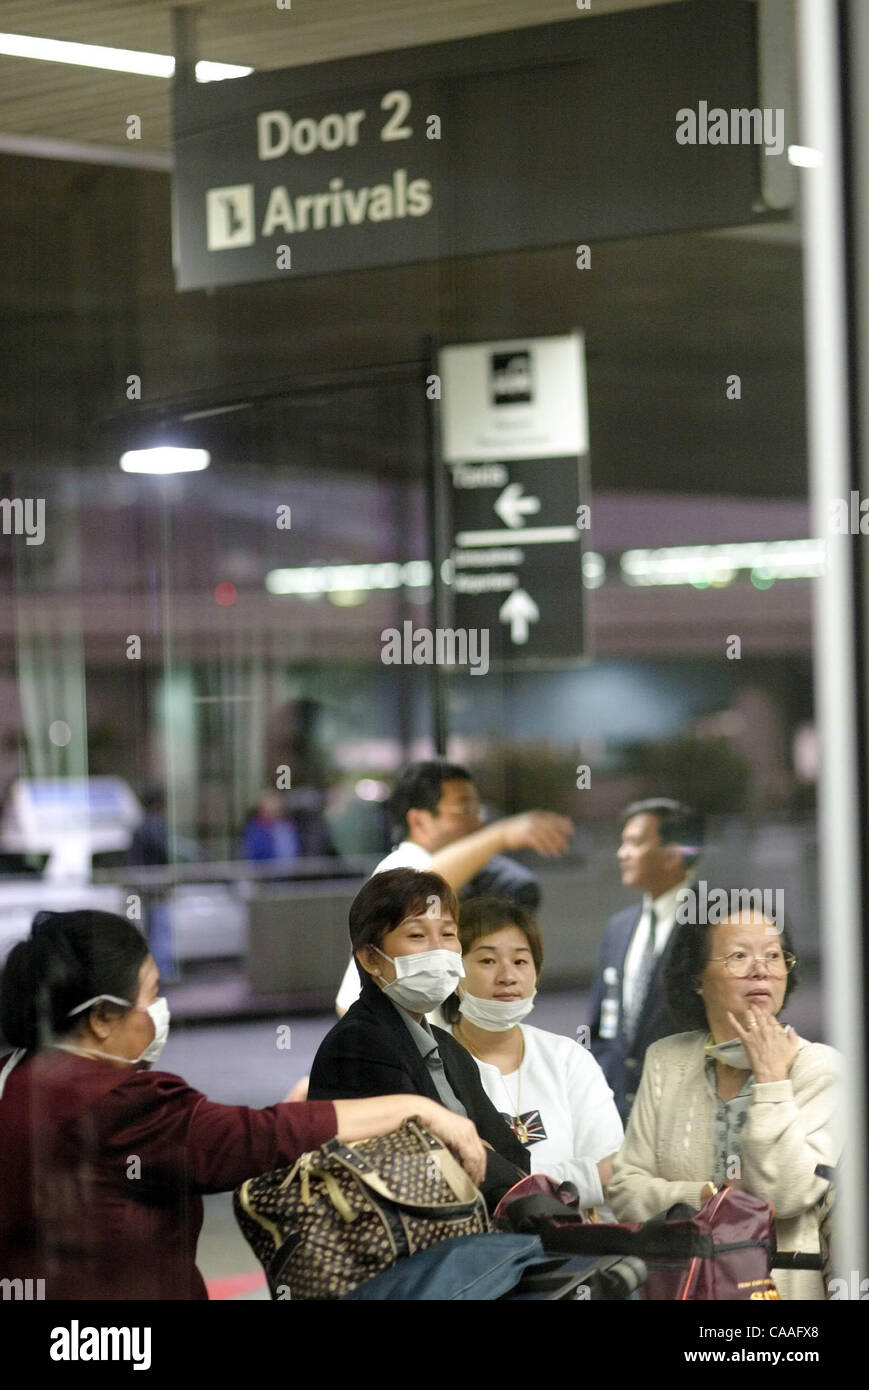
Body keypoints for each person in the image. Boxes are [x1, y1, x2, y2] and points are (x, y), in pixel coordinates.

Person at [0, 909, 485, 1301]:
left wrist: (293, 1117)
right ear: (102, 1017)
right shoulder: (120, 1104)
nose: (159, 1013)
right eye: (152, 996)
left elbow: (214, 1137)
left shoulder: (14, 1077)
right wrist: (415, 1109)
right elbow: (250, 1139)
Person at [606, 904, 840, 1300]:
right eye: (739, 956)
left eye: (773, 955)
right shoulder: (667, 1059)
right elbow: (626, 1193)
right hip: (679, 1287)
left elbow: (784, 1195)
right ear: (697, 977)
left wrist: (771, 1081)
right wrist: (709, 1197)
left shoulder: (820, 1068)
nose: (760, 968)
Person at [308, 869, 531, 1208]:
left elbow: (511, 1153)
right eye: (417, 936)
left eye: (448, 934)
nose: (440, 951)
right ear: (370, 958)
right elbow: (427, 1164)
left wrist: (488, 1161)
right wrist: (484, 1160)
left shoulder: (446, 1046)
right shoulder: (357, 1045)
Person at [334, 760, 572, 1014]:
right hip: (385, 1035)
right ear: (420, 821)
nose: (477, 823)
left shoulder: (467, 875)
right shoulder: (399, 866)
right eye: (464, 809)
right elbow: (421, 886)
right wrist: (501, 836)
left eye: (477, 810)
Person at [443, 898, 623, 1209]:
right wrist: (576, 1181)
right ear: (453, 972)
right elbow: (448, 1184)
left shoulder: (568, 1058)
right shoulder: (433, 1061)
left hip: (572, 1242)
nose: (507, 976)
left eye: (521, 962)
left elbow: (614, 1171)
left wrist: (502, 1182)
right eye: (487, 961)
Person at [587, 798, 705, 1121]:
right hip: (618, 1118)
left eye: (634, 843)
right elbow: (600, 1029)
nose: (621, 853)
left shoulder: (714, 924)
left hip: (686, 1116)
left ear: (672, 854)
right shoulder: (619, 927)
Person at [240, 790, 302, 862]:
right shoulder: (254, 832)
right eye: (269, 811)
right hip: (264, 871)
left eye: (277, 811)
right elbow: (251, 857)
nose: (273, 815)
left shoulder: (288, 827)